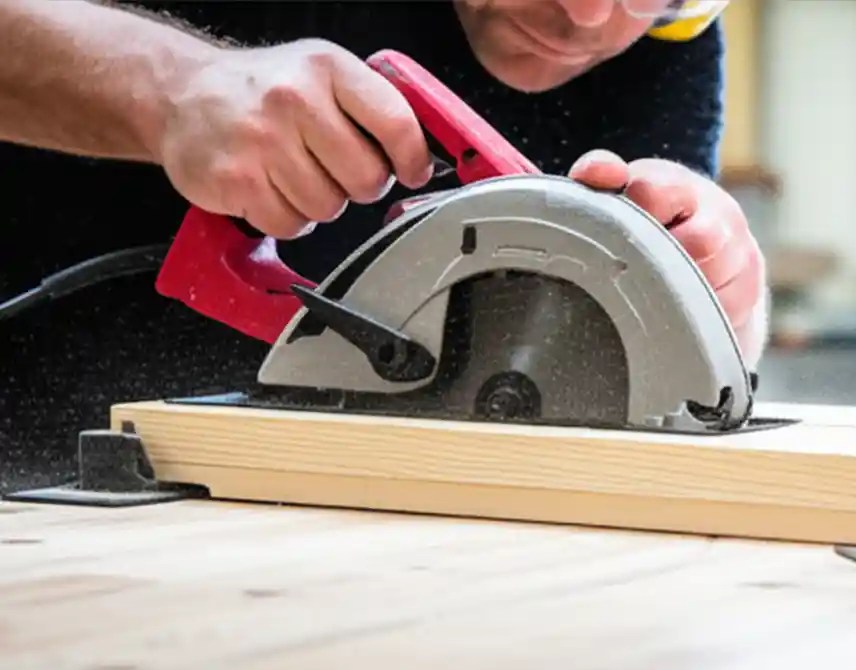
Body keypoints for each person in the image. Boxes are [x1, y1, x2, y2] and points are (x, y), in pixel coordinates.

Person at [0, 0, 768, 491]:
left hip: (324, 509)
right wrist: (170, 87)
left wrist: (714, 274)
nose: (591, 16)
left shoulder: (664, 35)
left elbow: (656, 358)